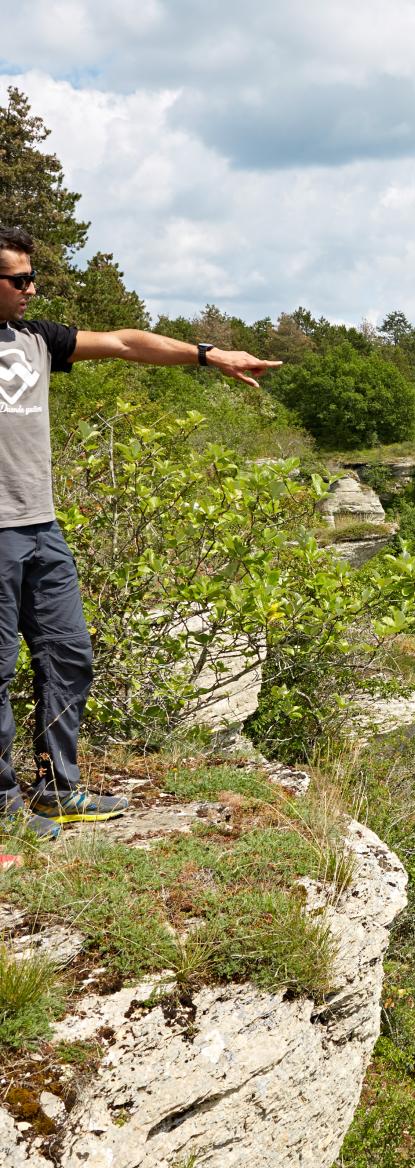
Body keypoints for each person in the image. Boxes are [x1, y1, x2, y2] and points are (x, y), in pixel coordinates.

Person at [0, 225, 281, 838]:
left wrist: (209, 355)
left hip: (40, 527)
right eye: (18, 279)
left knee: (68, 654)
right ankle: (2, 807)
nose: (31, 288)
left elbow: (127, 342)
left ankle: (56, 789)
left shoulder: (38, 339)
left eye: (32, 276)